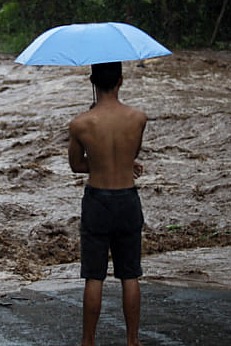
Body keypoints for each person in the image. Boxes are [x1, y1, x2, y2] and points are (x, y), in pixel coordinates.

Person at [68, 61, 147, 346]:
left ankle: (88, 340)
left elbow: (77, 165)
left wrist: (99, 161)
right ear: (121, 81)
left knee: (94, 276)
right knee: (130, 274)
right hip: (127, 198)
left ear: (92, 81)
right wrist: (124, 161)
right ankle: (133, 340)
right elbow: (129, 153)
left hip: (97, 201)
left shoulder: (80, 123)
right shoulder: (138, 118)